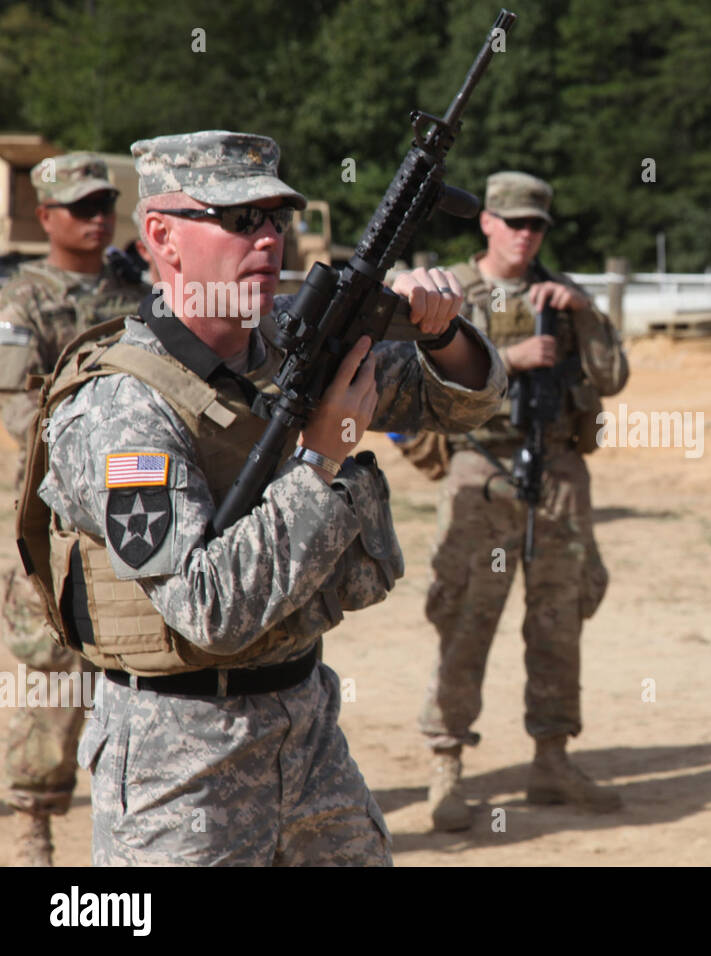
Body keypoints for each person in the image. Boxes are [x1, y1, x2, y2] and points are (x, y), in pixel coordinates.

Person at [28, 130, 505, 866]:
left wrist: (440, 332)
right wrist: (320, 457)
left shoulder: (290, 342)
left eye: (277, 218)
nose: (268, 239)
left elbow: (464, 403)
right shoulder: (121, 406)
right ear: (161, 234)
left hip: (306, 731)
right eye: (238, 219)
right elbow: (205, 609)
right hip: (177, 765)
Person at [415, 171, 628, 831]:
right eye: (514, 222)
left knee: (559, 618)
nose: (526, 235)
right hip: (483, 468)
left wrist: (584, 313)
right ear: (487, 223)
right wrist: (512, 357)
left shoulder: (563, 296)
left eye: (536, 225)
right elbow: (416, 378)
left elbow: (613, 376)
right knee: (467, 616)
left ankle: (552, 757)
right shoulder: (452, 291)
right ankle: (447, 762)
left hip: (558, 469)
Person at [0, 153, 149, 866]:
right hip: (48, 514)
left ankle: (133, 827)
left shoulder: (140, 295)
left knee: (136, 663)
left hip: (132, 506)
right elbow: (19, 411)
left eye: (105, 205)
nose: (98, 218)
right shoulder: (19, 302)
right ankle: (34, 821)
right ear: (46, 217)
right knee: (53, 672)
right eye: (81, 207)